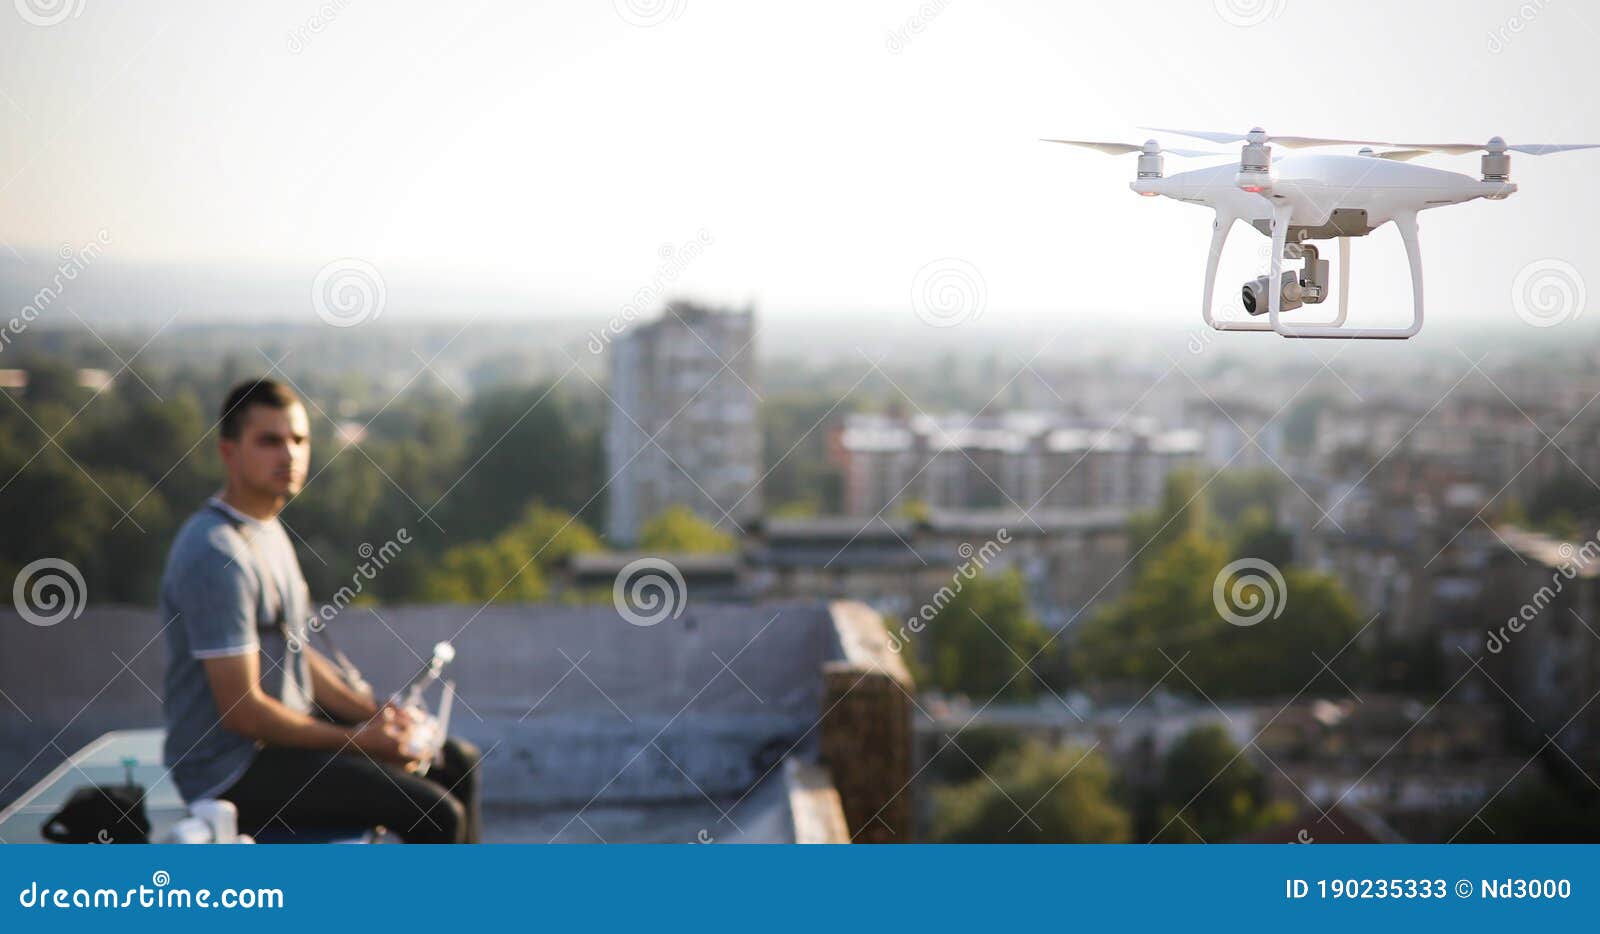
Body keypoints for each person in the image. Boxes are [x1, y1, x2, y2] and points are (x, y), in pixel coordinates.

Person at [159, 377, 481, 843]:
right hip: (230, 771)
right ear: (229, 452)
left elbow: (295, 653)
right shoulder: (216, 552)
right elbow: (242, 713)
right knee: (435, 813)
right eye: (269, 441)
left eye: (299, 439)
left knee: (457, 763)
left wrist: (374, 713)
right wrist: (361, 741)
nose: (288, 454)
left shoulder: (267, 529)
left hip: (279, 745)